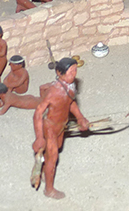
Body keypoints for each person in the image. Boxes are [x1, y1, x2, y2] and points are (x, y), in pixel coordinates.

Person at [32, 58, 89, 199]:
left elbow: (70, 103)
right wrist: (39, 137)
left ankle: (45, 173)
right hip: (50, 127)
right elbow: (38, 113)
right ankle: (49, 190)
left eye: (75, 70)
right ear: (60, 73)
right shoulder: (53, 91)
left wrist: (80, 117)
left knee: (56, 148)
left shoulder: (70, 87)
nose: (74, 74)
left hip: (61, 125)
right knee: (53, 158)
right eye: (70, 72)